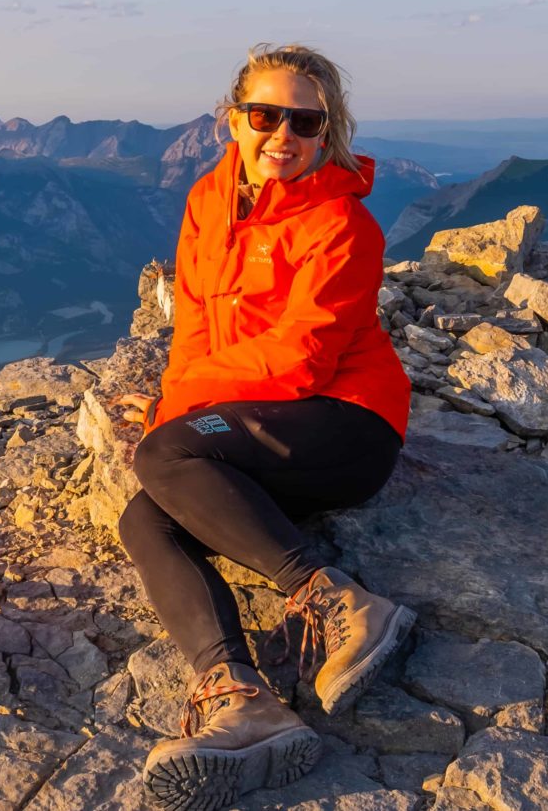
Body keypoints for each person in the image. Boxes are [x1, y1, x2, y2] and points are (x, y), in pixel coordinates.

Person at [116, 43, 415, 811]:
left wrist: (179, 419)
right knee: (146, 516)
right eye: (265, 114)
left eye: (305, 121)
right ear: (233, 120)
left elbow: (302, 360)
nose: (283, 133)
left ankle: (337, 598)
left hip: (346, 426)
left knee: (164, 452)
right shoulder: (207, 202)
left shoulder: (341, 223)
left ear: (327, 131)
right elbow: (192, 333)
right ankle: (241, 700)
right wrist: (175, 409)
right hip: (255, 417)